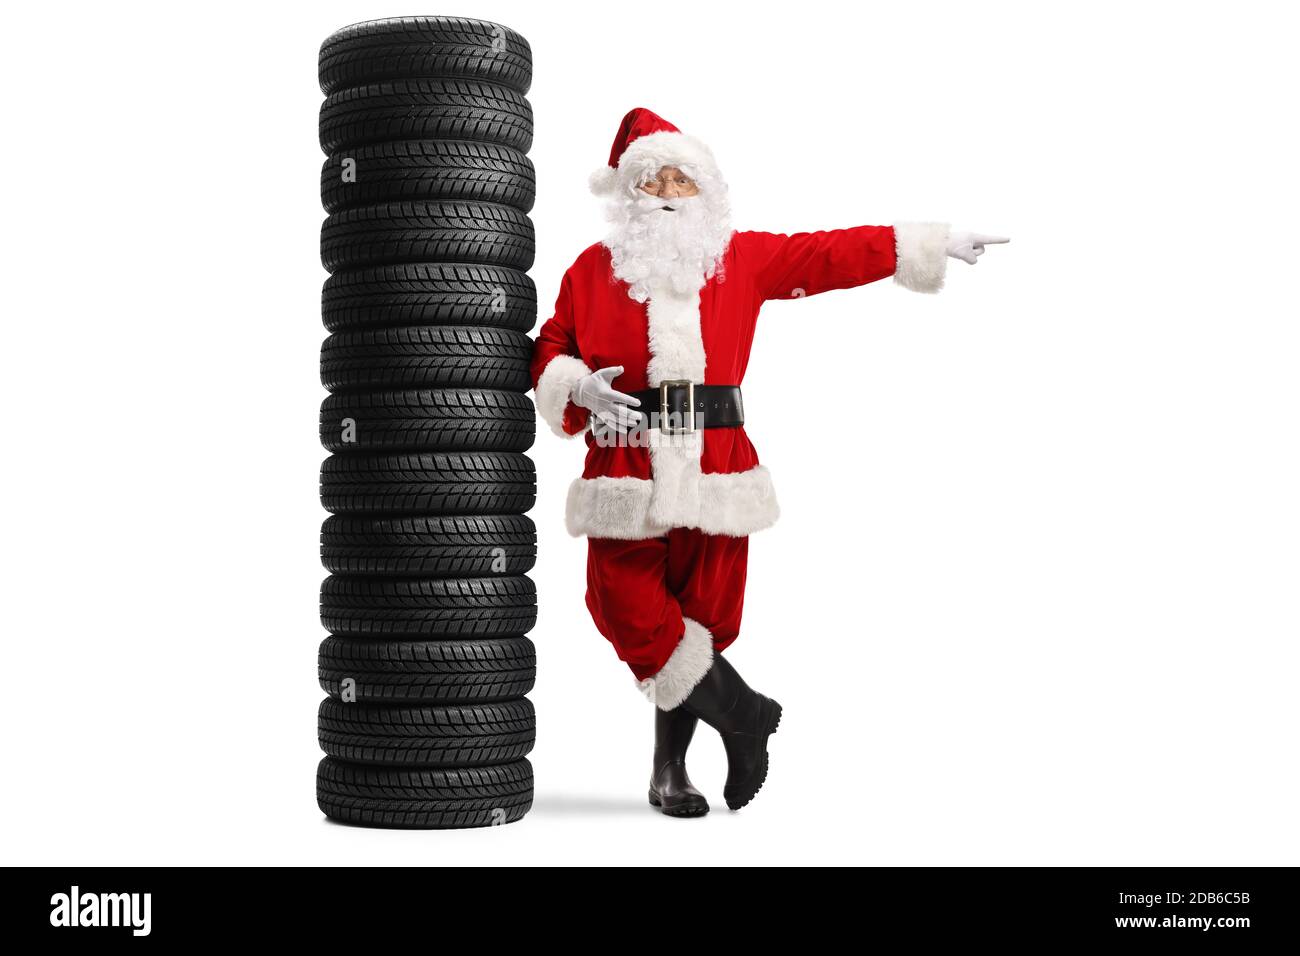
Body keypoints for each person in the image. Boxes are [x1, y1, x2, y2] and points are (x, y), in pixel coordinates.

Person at [531, 108, 1008, 817]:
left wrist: (928, 242)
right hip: (624, 467)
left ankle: (671, 773)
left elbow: (827, 255)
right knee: (627, 612)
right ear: (627, 194)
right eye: (651, 178)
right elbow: (550, 347)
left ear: (705, 190)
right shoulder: (589, 271)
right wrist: (577, 386)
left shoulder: (741, 258)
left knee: (703, 621)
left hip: (718, 466)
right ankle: (747, 715)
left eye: (679, 176)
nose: (665, 189)